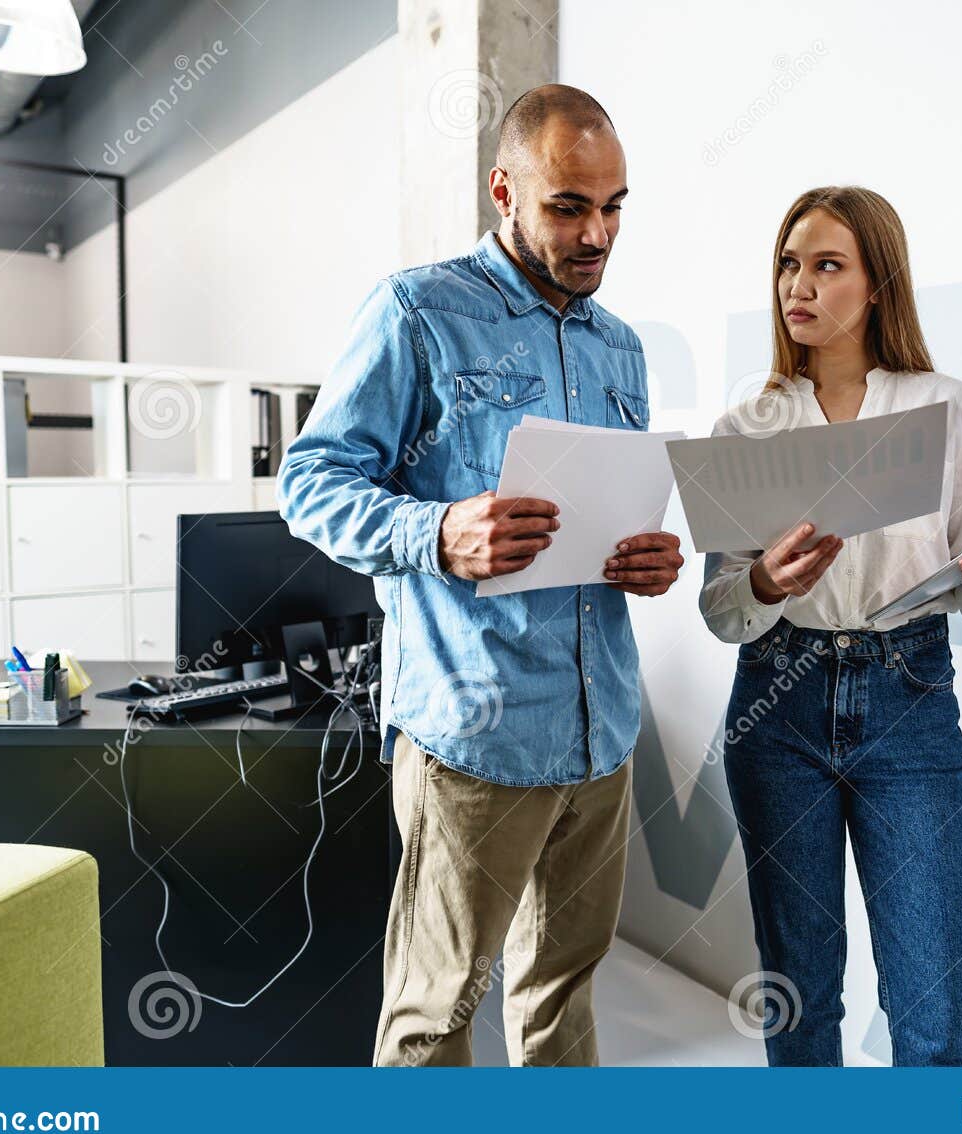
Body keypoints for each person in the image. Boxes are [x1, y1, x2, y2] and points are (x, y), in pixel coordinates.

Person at [278, 84, 683, 1067]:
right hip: (476, 735)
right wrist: (436, 530)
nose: (597, 234)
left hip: (601, 731)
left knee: (562, 995)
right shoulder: (418, 312)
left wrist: (646, 557)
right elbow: (309, 481)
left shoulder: (621, 347)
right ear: (504, 191)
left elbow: (604, 511)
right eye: (568, 207)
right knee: (435, 1014)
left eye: (614, 206)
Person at [699, 186, 962, 1066]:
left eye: (826, 265)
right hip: (776, 704)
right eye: (788, 264)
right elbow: (721, 608)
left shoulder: (946, 407)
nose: (798, 285)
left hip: (908, 696)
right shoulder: (746, 425)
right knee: (800, 996)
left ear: (878, 282)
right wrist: (764, 582)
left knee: (935, 1011)